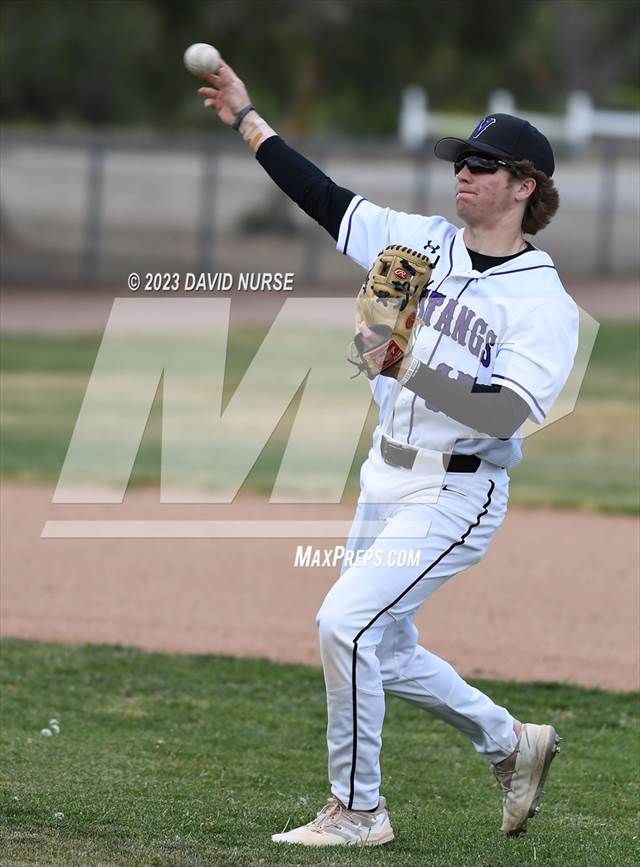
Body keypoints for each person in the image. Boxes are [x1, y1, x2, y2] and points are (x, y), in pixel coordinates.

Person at [197, 62, 578, 847]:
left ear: (522, 185)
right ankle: (512, 742)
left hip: (456, 491)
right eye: (458, 163)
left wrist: (406, 366)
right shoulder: (423, 241)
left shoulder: (542, 302)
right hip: (384, 475)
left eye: (480, 167)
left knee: (346, 624)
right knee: (387, 645)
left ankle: (360, 812)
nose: (462, 175)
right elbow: (327, 201)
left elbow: (507, 410)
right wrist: (248, 118)